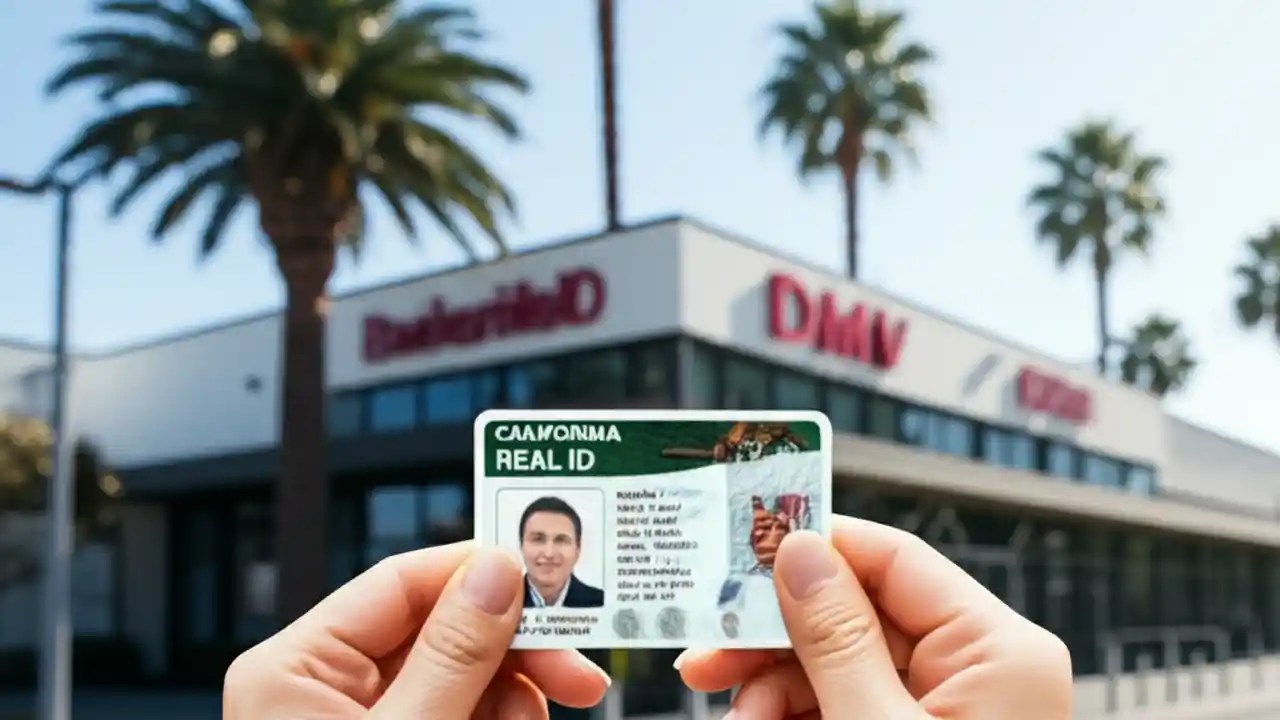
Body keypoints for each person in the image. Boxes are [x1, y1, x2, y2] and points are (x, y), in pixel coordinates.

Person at [223, 515, 1073, 719]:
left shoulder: (594, 604)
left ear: (579, 546)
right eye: (535, 539)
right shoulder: (526, 620)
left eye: (560, 539)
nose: (545, 552)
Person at [517, 495, 605, 609]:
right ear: (521, 545)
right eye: (538, 539)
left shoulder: (602, 604)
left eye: (561, 540)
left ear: (578, 549)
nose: (549, 553)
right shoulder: (499, 604)